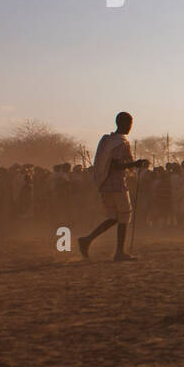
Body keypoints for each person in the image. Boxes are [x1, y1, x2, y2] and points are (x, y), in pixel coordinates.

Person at [79, 112, 148, 261]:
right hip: (116, 184)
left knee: (114, 217)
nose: (130, 127)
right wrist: (135, 164)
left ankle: (87, 239)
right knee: (124, 215)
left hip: (105, 184)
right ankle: (119, 252)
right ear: (123, 124)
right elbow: (116, 165)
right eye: (130, 124)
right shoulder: (121, 142)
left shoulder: (107, 140)